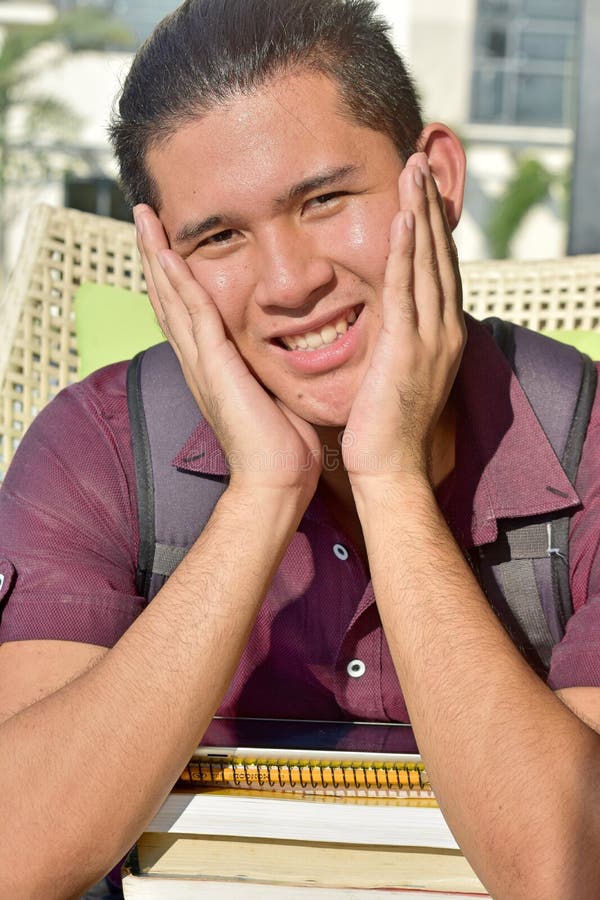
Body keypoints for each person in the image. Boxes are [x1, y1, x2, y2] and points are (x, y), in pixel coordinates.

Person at [0, 0, 599, 896]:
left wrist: (389, 478)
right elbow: (16, 855)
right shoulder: (99, 447)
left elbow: (565, 869)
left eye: (323, 200)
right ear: (163, 266)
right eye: (221, 237)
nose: (290, 283)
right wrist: (261, 493)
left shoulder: (583, 447)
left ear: (432, 181)